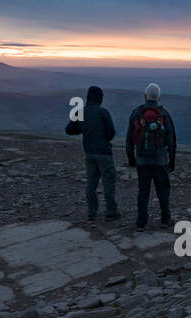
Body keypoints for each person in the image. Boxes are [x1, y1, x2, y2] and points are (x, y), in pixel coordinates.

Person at [125, 82, 177, 230]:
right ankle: (165, 220)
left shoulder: (137, 113)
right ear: (159, 97)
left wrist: (131, 159)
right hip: (160, 160)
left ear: (145, 95)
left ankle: (141, 223)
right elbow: (171, 139)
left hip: (142, 159)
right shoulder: (164, 114)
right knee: (163, 189)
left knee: (143, 190)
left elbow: (129, 138)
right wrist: (171, 160)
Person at [65, 85, 119, 221]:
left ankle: (91, 212)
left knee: (91, 183)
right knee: (108, 183)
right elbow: (111, 133)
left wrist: (83, 130)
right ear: (100, 98)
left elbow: (69, 130)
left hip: (89, 152)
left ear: (88, 97)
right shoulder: (103, 112)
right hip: (104, 153)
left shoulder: (81, 112)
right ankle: (111, 213)